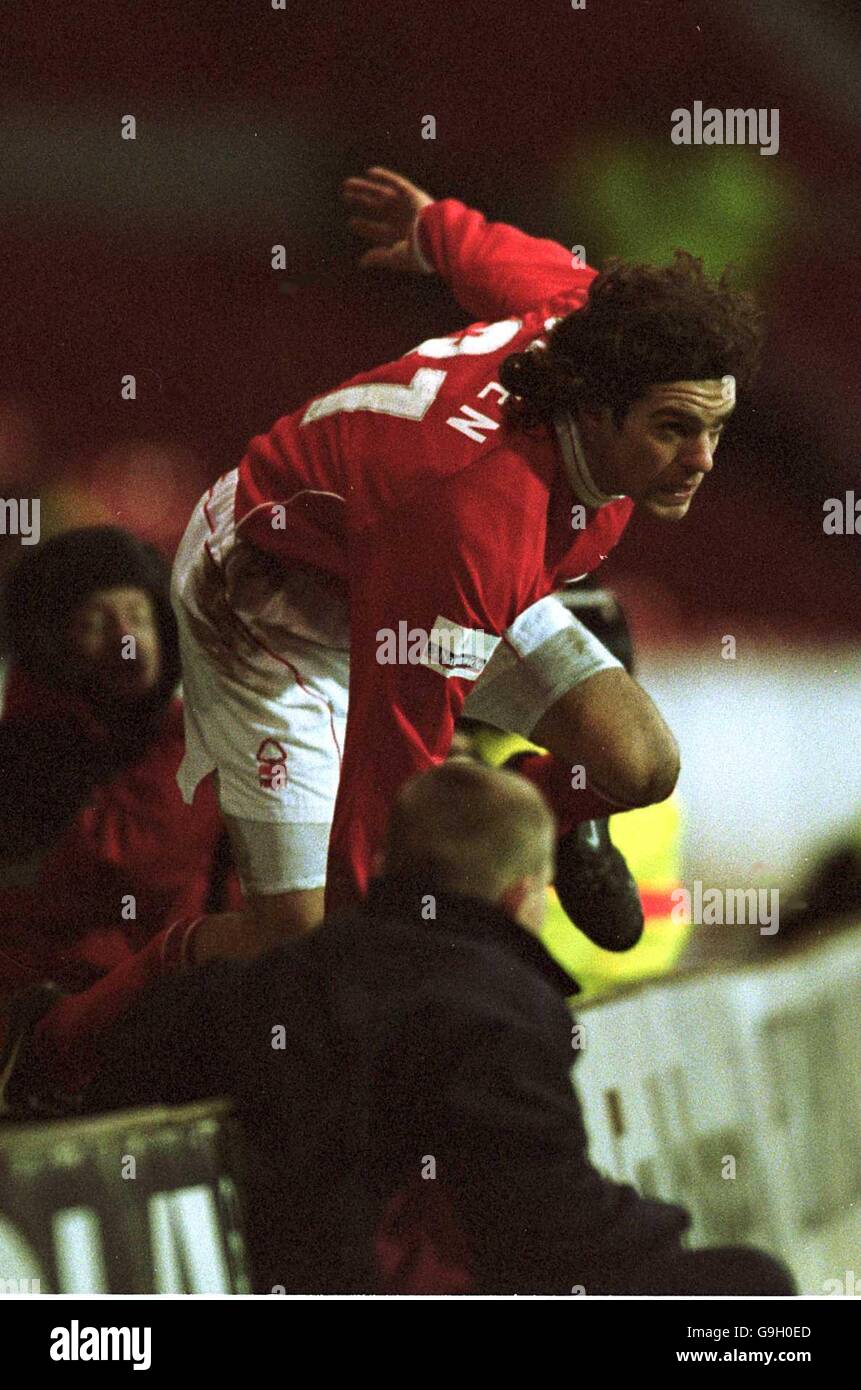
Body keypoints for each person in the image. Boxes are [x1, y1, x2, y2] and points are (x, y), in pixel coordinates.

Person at [170, 165, 763, 945]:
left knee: (638, 762)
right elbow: (393, 775)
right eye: (674, 430)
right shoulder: (475, 523)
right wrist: (363, 958)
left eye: (715, 428)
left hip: (407, 564)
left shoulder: (601, 328)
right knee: (295, 941)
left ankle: (545, 811)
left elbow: (509, 262)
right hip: (266, 602)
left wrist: (433, 229)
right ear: (592, 408)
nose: (702, 460)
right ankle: (62, 1032)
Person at [86, 760, 794, 1296]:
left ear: (391, 867)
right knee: (751, 1288)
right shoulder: (499, 1008)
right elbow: (546, 1224)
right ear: (522, 895)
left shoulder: (287, 974)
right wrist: (667, 1227)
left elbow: (131, 1051)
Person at [0, 527, 247, 1112]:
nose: (126, 640)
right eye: (94, 622)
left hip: (163, 1038)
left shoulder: (187, 730)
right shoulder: (24, 758)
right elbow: (129, 861)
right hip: (47, 1046)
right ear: (48, 644)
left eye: (137, 613)